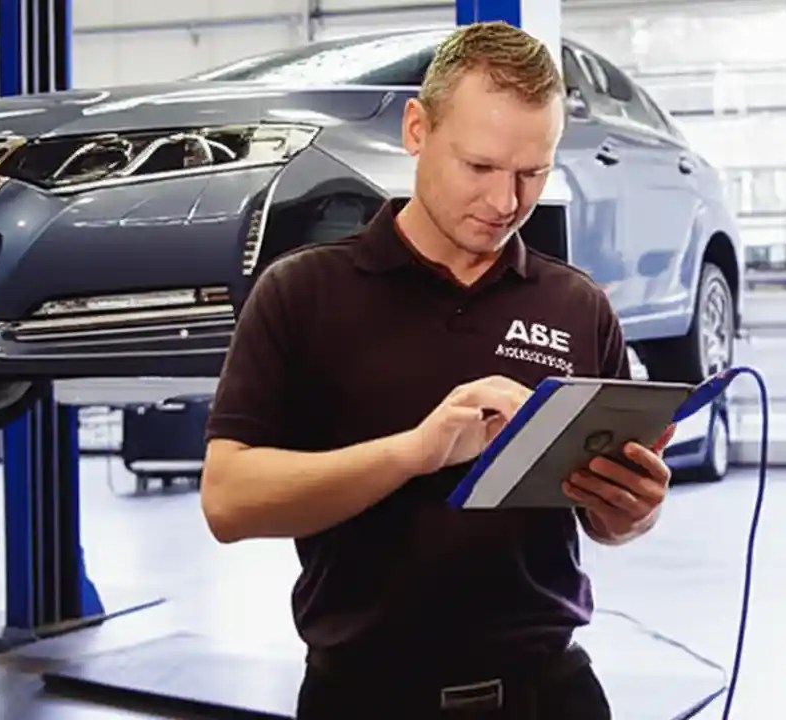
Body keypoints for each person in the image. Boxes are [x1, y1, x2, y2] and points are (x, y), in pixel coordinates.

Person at [201, 21, 674, 720]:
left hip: (549, 695)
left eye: (531, 173)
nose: (506, 203)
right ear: (416, 130)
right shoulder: (303, 294)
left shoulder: (576, 305)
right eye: (479, 167)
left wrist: (628, 512)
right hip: (364, 696)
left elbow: (603, 523)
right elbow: (228, 501)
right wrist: (415, 452)